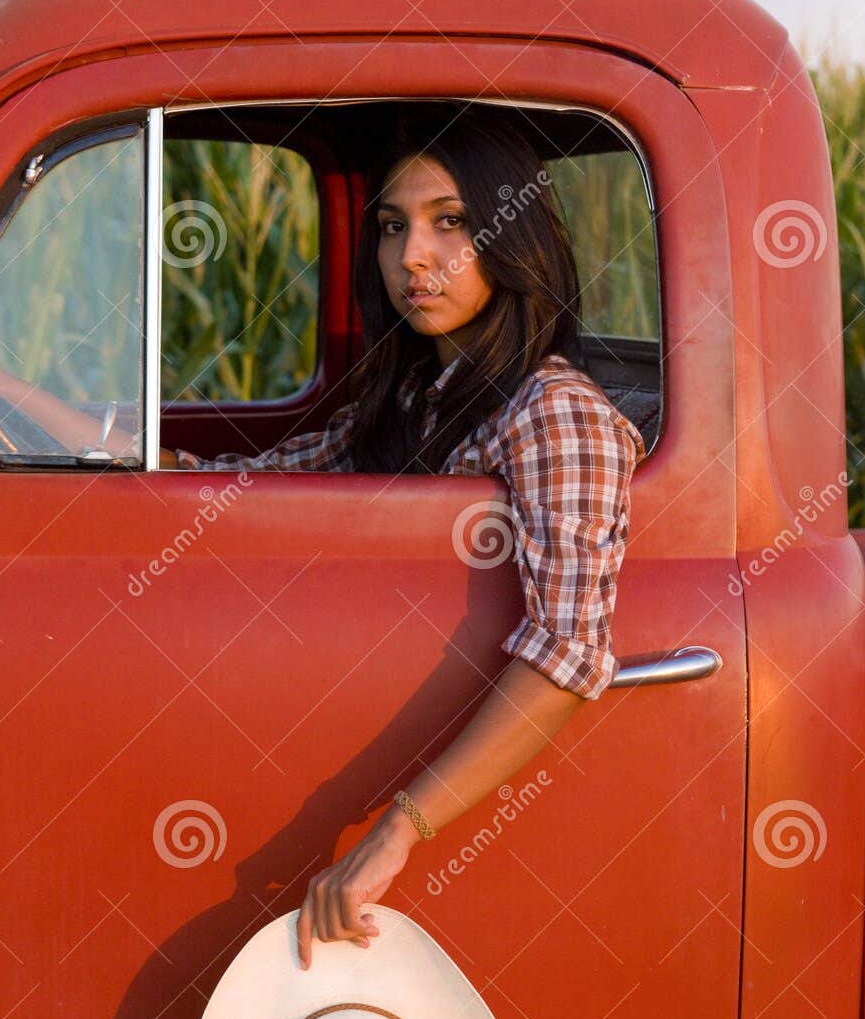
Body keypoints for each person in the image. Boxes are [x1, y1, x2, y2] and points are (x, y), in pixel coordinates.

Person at [160, 103, 648, 969]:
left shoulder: (556, 414)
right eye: (392, 227)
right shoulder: (417, 393)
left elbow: (568, 653)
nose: (411, 257)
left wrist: (402, 827)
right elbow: (254, 495)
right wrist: (44, 428)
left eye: (450, 223)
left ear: (514, 236)